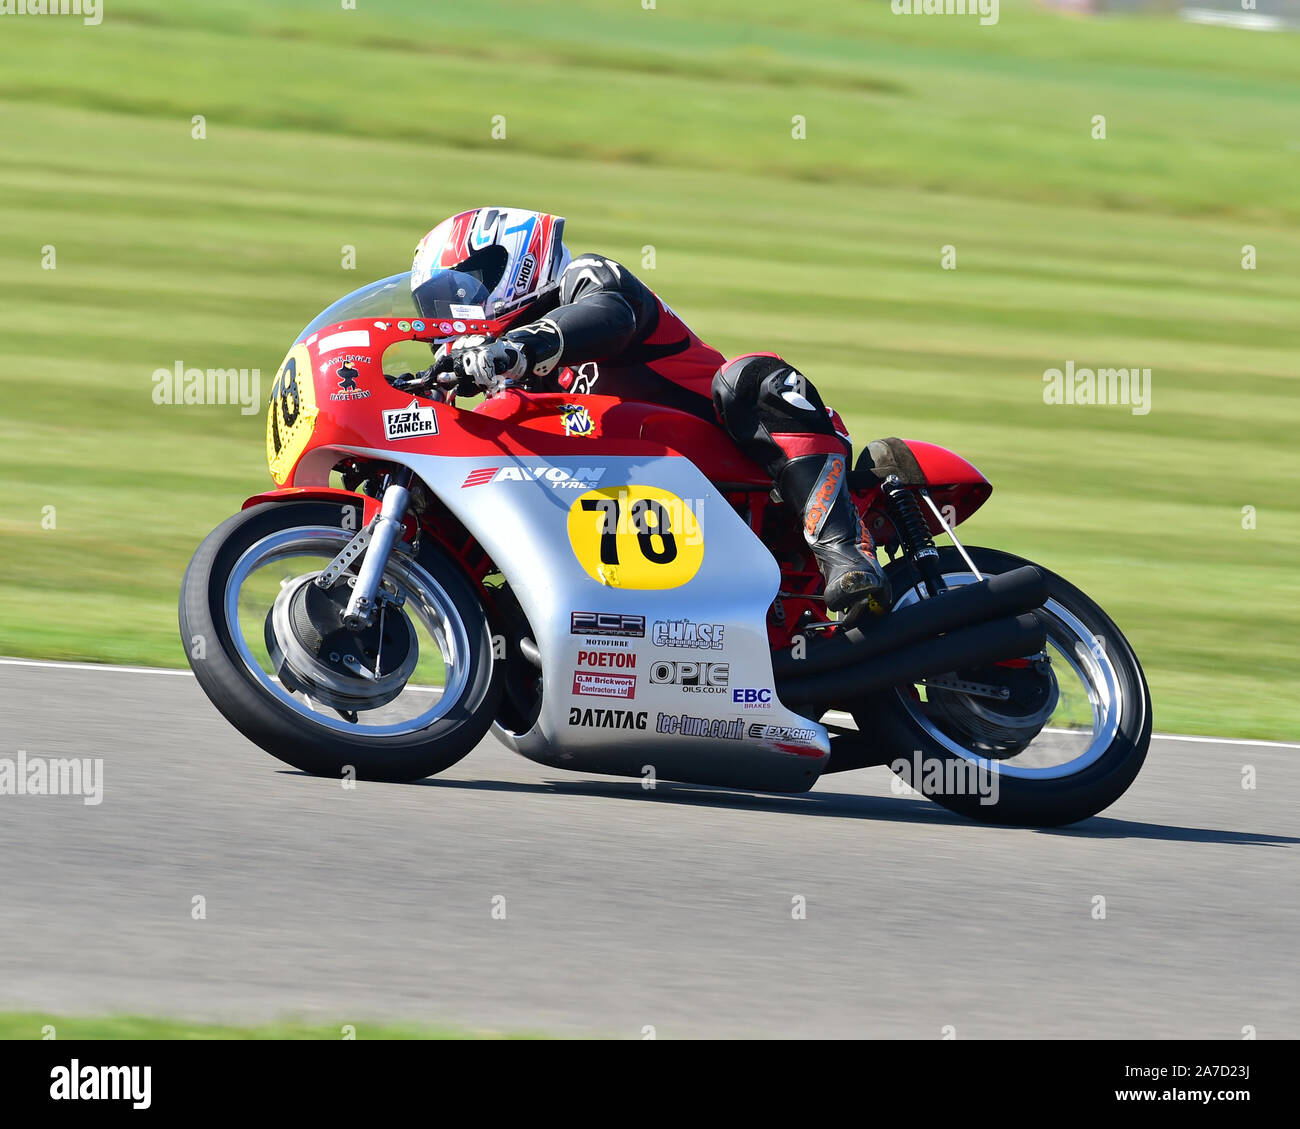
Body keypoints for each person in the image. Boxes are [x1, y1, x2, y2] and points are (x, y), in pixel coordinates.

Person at [404, 206, 890, 618]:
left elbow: (609, 316)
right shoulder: (513, 392)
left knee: (747, 377)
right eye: (435, 303)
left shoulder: (588, 282)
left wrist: (520, 346)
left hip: (751, 461)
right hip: (655, 523)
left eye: (457, 292)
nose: (448, 311)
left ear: (511, 263)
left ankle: (847, 552)